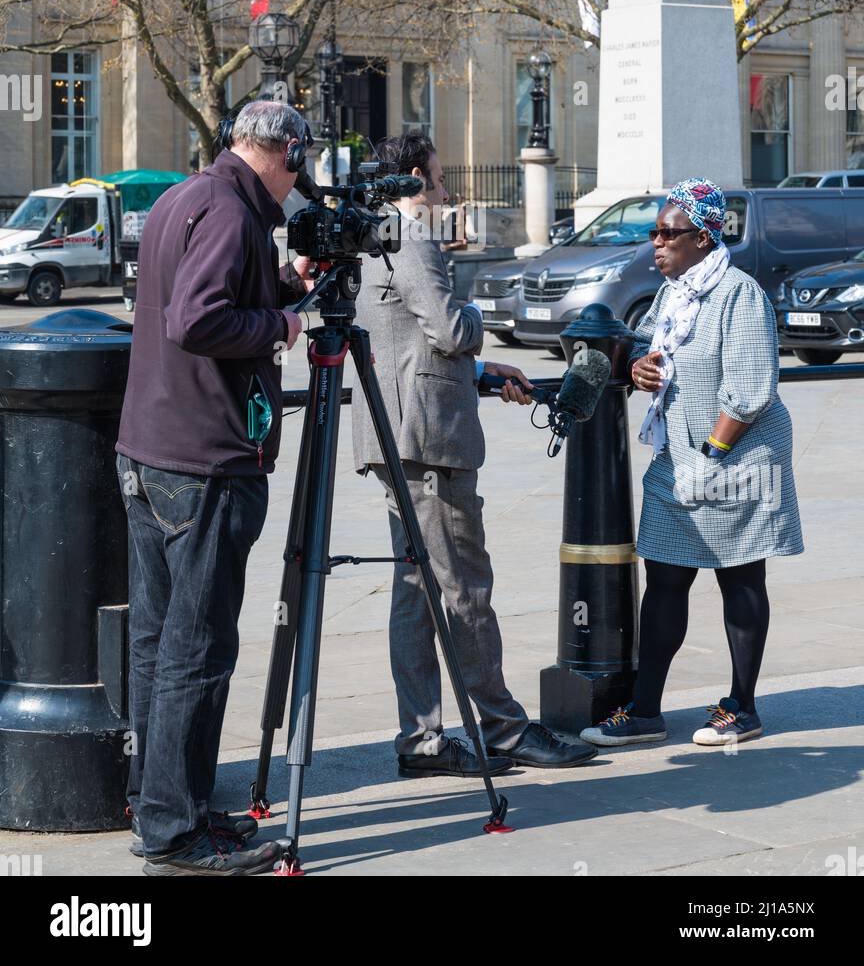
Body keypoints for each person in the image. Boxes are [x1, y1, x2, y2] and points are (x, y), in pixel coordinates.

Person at [352, 131, 598, 775]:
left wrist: (483, 371)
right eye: (437, 176)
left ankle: (423, 740)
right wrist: (476, 316)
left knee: (414, 590)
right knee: (462, 586)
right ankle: (501, 728)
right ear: (412, 178)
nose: (447, 189)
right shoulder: (409, 237)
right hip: (427, 438)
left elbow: (412, 340)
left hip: (396, 431)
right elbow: (447, 327)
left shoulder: (373, 237)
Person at [115, 100, 317, 876]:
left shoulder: (183, 197)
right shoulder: (233, 212)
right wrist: (281, 329)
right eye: (298, 167)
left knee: (158, 641)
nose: (296, 186)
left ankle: (165, 798)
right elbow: (198, 321)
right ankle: (173, 833)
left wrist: (285, 286)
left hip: (149, 450)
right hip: (202, 460)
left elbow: (200, 294)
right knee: (197, 649)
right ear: (285, 154)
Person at [580, 178, 803, 751]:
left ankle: (742, 707)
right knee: (666, 579)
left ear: (703, 237)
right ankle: (646, 710)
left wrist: (712, 456)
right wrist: (637, 367)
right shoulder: (675, 293)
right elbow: (644, 343)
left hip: (738, 458)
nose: (656, 242)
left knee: (739, 577)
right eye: (653, 232)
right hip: (677, 458)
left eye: (667, 233)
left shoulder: (739, 292)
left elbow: (751, 390)